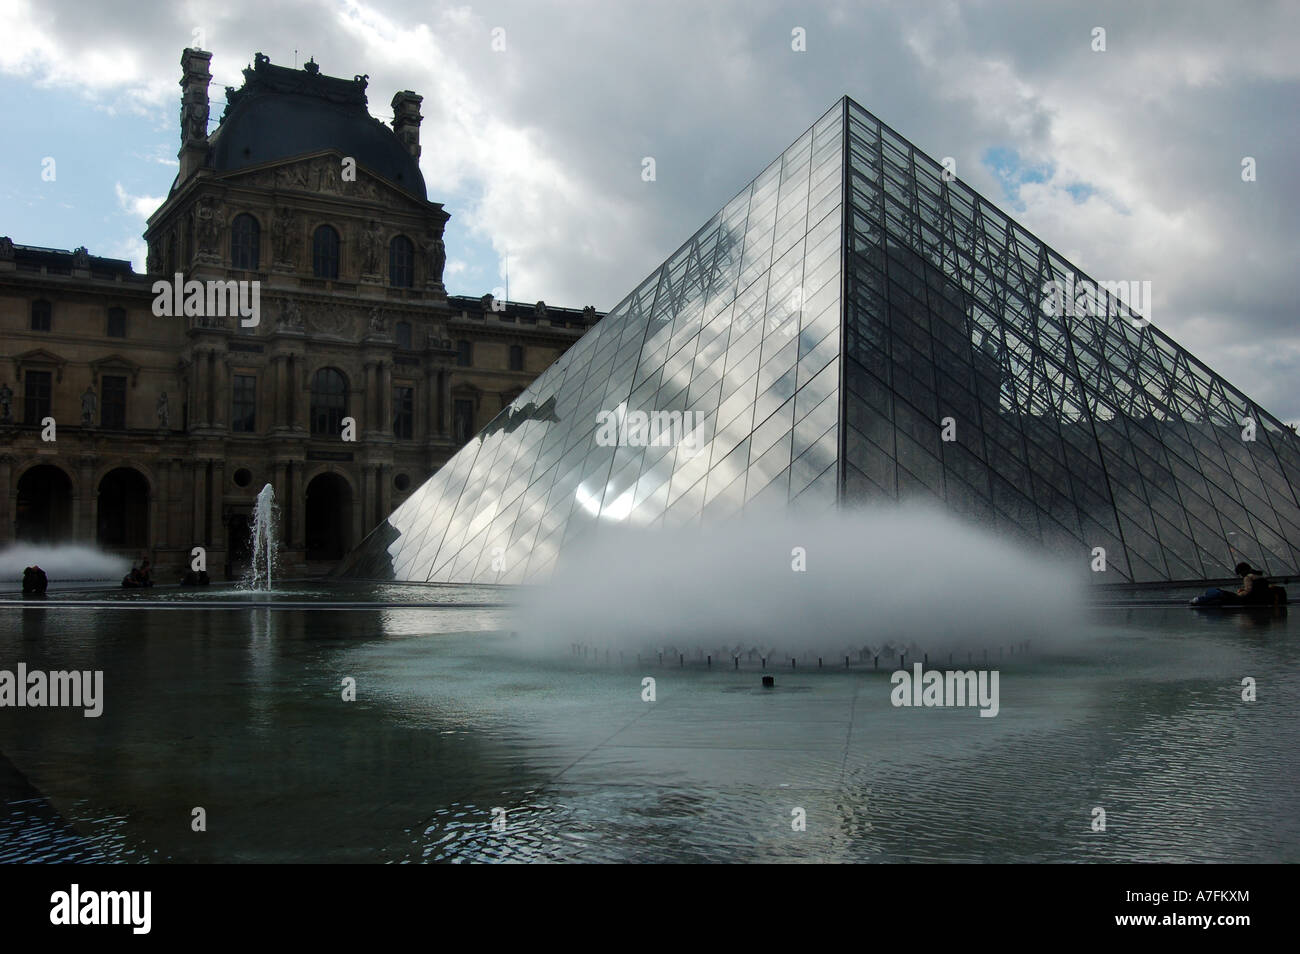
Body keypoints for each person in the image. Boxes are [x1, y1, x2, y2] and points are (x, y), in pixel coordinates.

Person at [1191, 562, 1272, 606]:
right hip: (1257, 600)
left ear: (1243, 571)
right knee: (1221, 595)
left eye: (1240, 573)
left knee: (1219, 592)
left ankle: (1198, 600)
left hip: (1244, 600)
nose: (1241, 575)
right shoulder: (1260, 577)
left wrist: (1239, 593)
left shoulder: (1248, 577)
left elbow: (1248, 592)